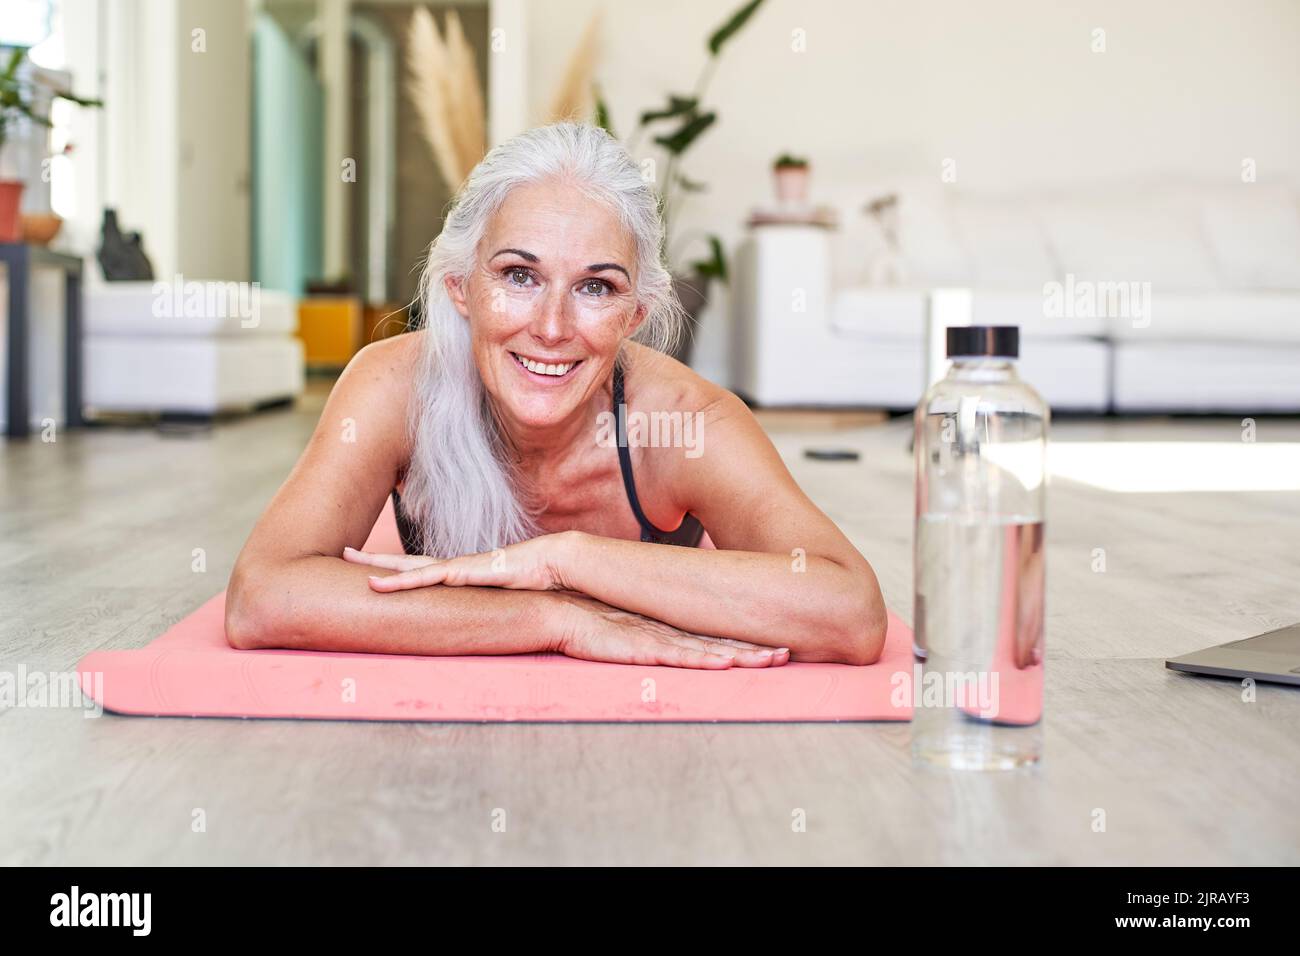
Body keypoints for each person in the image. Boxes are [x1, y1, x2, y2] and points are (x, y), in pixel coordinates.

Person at [226, 123, 887, 669]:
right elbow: (263, 596)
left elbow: (849, 612)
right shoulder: (392, 386)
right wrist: (551, 616)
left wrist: (562, 559)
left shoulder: (687, 423)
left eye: (596, 287)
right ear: (460, 285)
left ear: (634, 313)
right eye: (519, 275)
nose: (550, 327)